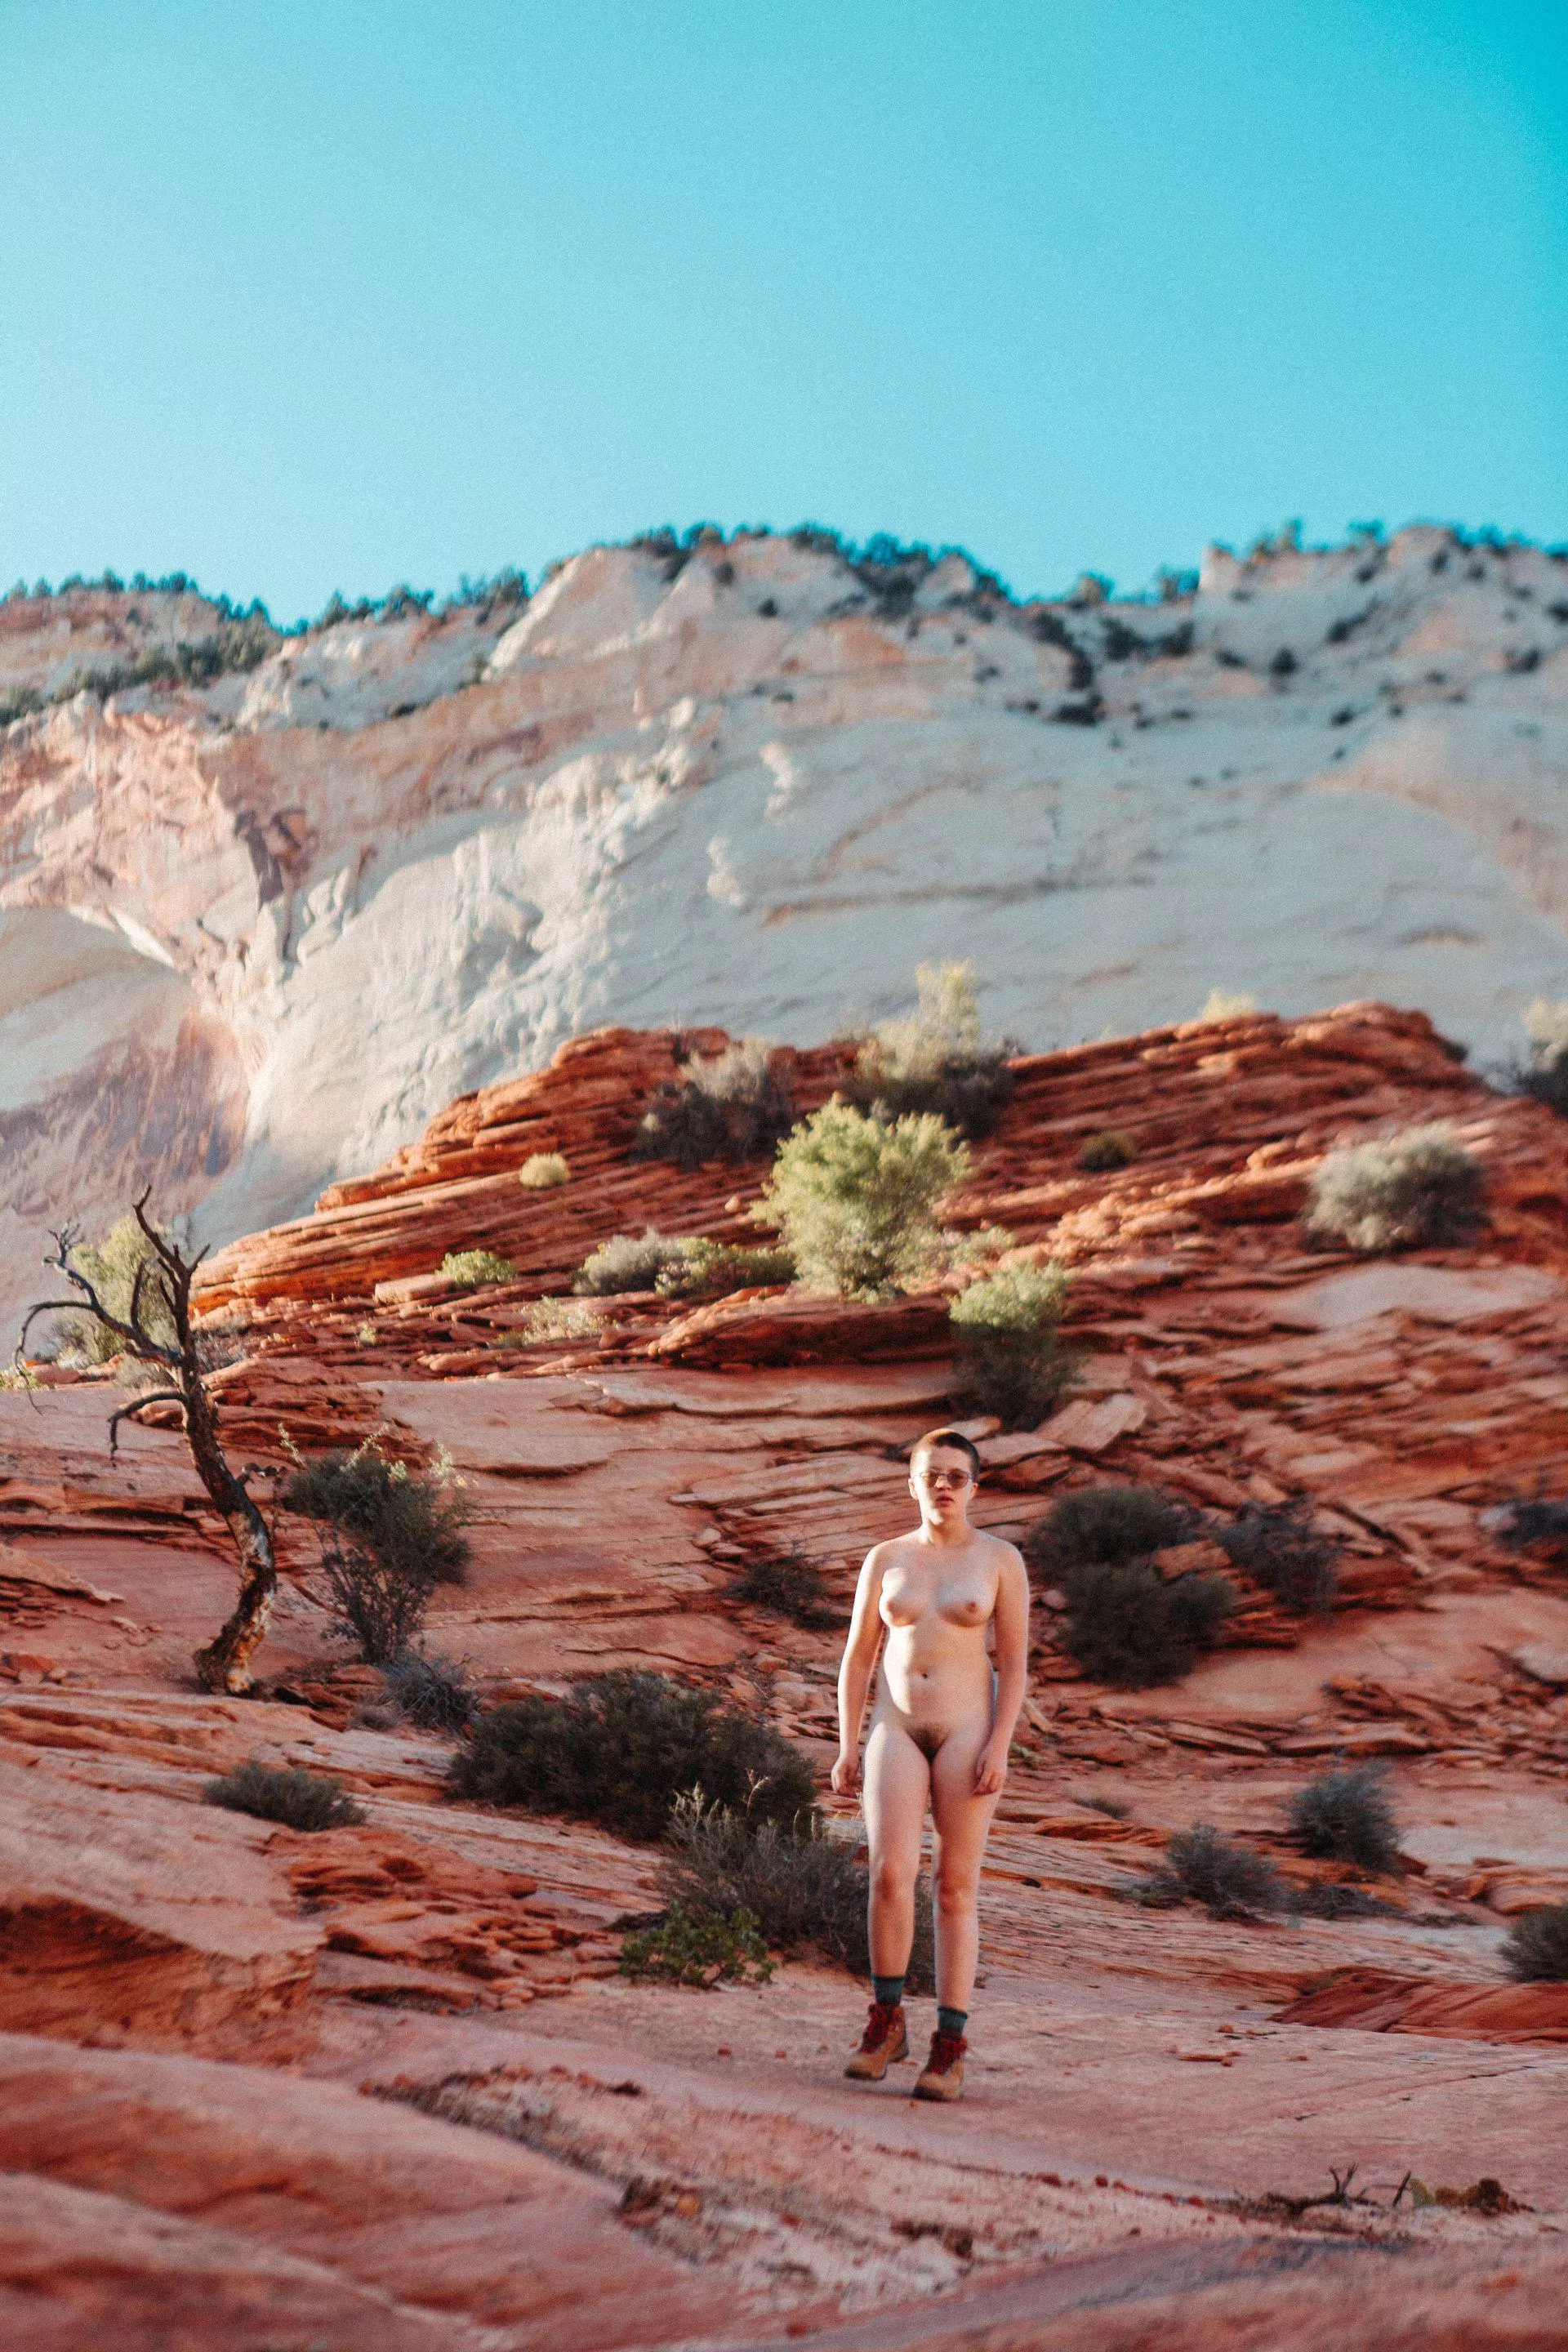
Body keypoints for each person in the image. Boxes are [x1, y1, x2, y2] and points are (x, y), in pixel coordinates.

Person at [831, 1427, 1029, 2102]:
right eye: (931, 1475)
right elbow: (858, 1656)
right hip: (895, 1724)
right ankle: (887, 2023)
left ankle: (950, 2045)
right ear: (911, 1484)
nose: (943, 1485)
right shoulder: (885, 1557)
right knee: (888, 1875)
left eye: (956, 1475)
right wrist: (846, 1743)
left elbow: (1015, 1663)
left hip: (968, 1730)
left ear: (976, 1485)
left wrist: (1000, 1744)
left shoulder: (1001, 1559)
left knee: (954, 1886)